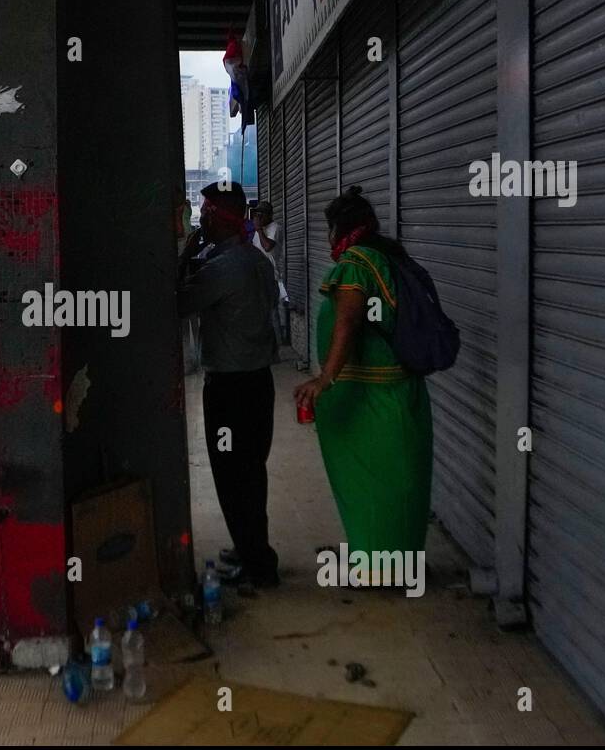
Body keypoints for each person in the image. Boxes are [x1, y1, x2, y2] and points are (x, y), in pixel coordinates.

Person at [293, 185, 433, 566]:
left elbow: (350, 319)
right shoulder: (386, 258)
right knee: (393, 488)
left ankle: (380, 568)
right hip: (397, 396)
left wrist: (325, 378)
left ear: (339, 229)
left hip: (373, 406)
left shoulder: (356, 264)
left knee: (374, 488)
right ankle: (385, 563)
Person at [177, 181, 281, 589]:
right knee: (250, 473)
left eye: (205, 215)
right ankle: (251, 549)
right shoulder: (255, 261)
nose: (200, 220)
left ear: (220, 220)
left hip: (231, 391)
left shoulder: (223, 268)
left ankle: (258, 567)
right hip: (259, 383)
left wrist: (185, 252)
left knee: (233, 476)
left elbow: (179, 302)